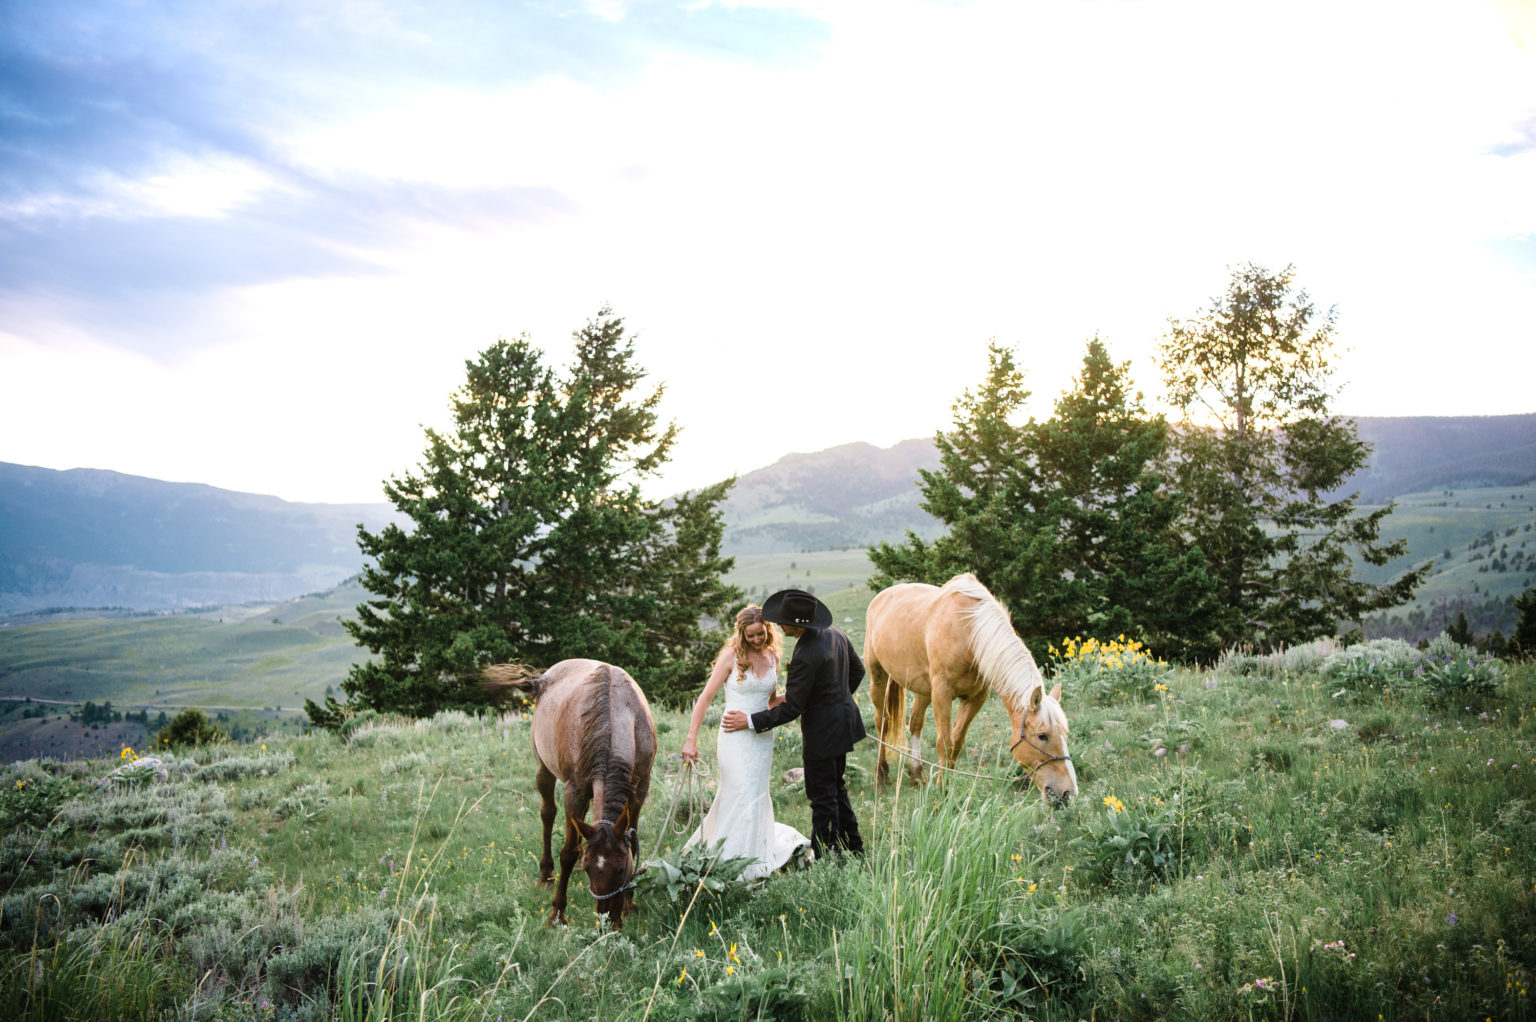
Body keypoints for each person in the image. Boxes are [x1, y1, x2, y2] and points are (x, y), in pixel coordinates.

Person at [723, 588, 866, 858]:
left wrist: (750, 721)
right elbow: (858, 671)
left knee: (822, 796)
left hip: (822, 733)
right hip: (844, 723)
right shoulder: (835, 633)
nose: (779, 625)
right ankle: (854, 847)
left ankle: (826, 857)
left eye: (783, 621)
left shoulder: (805, 654)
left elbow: (792, 708)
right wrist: (836, 698)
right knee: (837, 787)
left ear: (797, 624)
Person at [680, 604, 811, 878]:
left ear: (768, 629)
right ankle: (730, 860)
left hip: (761, 738)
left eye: (760, 633)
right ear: (741, 633)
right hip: (734, 737)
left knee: (756, 793)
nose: (756, 640)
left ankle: (755, 855)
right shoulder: (730, 656)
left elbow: (771, 701)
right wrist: (691, 740)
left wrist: (802, 693)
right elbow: (705, 698)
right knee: (739, 791)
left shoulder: (773, 656)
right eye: (750, 635)